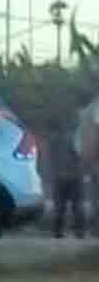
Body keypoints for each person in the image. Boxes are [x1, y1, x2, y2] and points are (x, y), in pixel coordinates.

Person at [43, 103, 88, 240]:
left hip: (59, 176)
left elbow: (49, 157)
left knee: (60, 208)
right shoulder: (76, 137)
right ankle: (79, 234)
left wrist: (50, 173)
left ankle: (58, 234)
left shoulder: (54, 138)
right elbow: (81, 155)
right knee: (77, 206)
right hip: (74, 175)